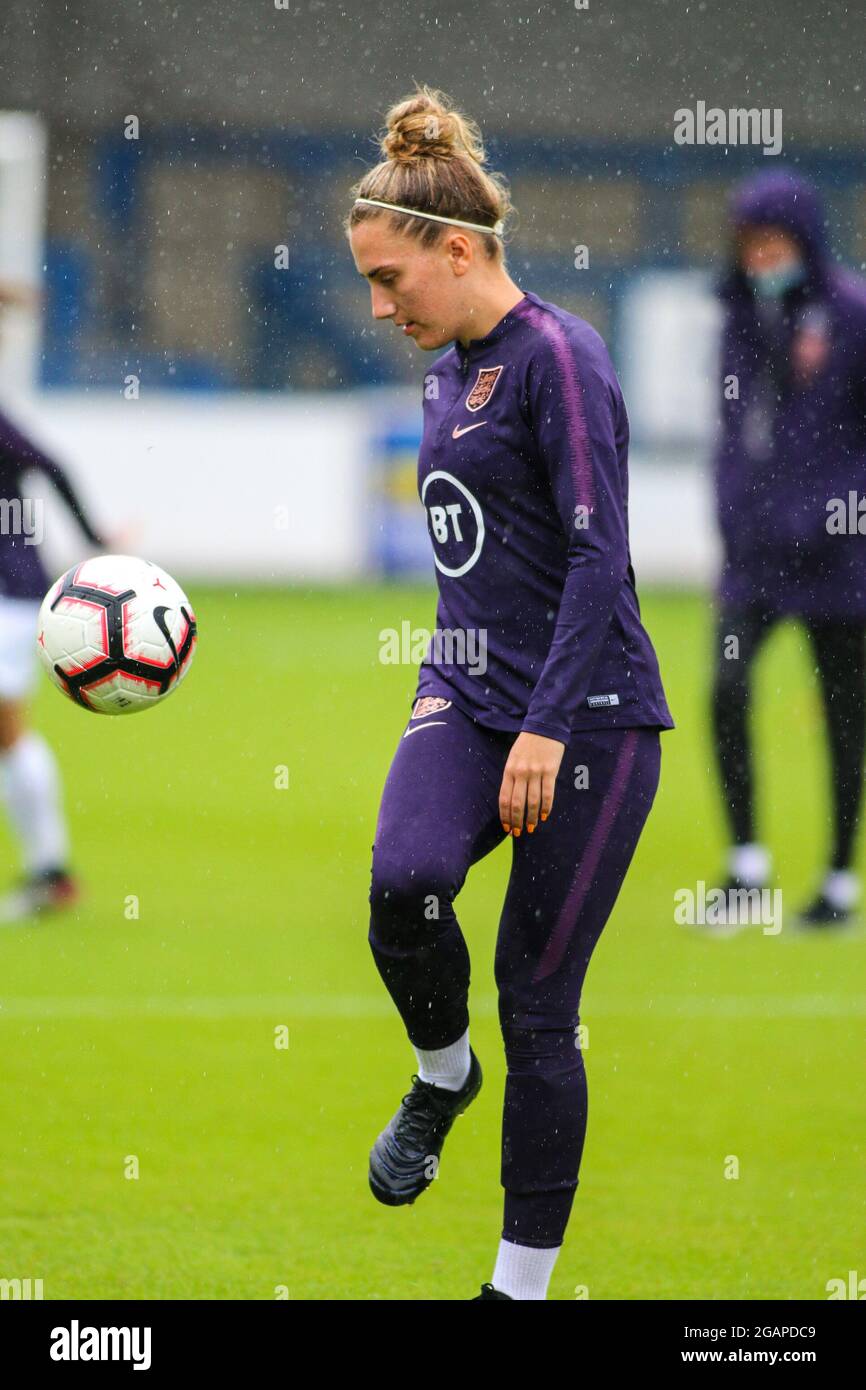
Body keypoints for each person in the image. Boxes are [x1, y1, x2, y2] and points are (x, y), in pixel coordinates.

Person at [345, 85, 674, 1300]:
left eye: (392, 280)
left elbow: (600, 554)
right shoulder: (447, 370)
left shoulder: (560, 358)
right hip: (466, 694)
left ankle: (515, 1288)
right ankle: (440, 1077)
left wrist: (544, 723)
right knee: (402, 886)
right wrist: (482, 698)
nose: (382, 308)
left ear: (459, 249)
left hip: (587, 721)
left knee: (537, 1002)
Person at [710, 169, 866, 927]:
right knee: (725, 689)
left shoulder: (854, 315)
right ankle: (747, 870)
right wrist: (733, 509)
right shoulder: (738, 316)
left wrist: (840, 513)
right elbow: (731, 435)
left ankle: (838, 879)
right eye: (750, 243)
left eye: (772, 241)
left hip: (841, 560)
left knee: (845, 714)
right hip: (756, 560)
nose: (761, 256)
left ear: (803, 237)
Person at [0, 288, 110, 921]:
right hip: (16, 596)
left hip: (9, 597)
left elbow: (53, 463)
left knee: (11, 733)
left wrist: (93, 537)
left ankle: (52, 873)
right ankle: (49, 872)